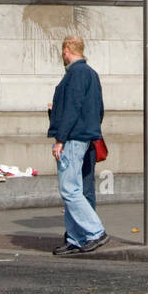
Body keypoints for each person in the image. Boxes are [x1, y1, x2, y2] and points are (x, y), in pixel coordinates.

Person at [48, 36, 108, 256]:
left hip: (73, 138)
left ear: (67, 49)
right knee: (76, 189)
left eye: (62, 51)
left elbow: (72, 108)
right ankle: (75, 238)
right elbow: (99, 108)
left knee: (69, 189)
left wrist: (60, 139)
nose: (62, 56)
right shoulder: (91, 74)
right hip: (86, 136)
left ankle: (95, 231)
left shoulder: (75, 74)